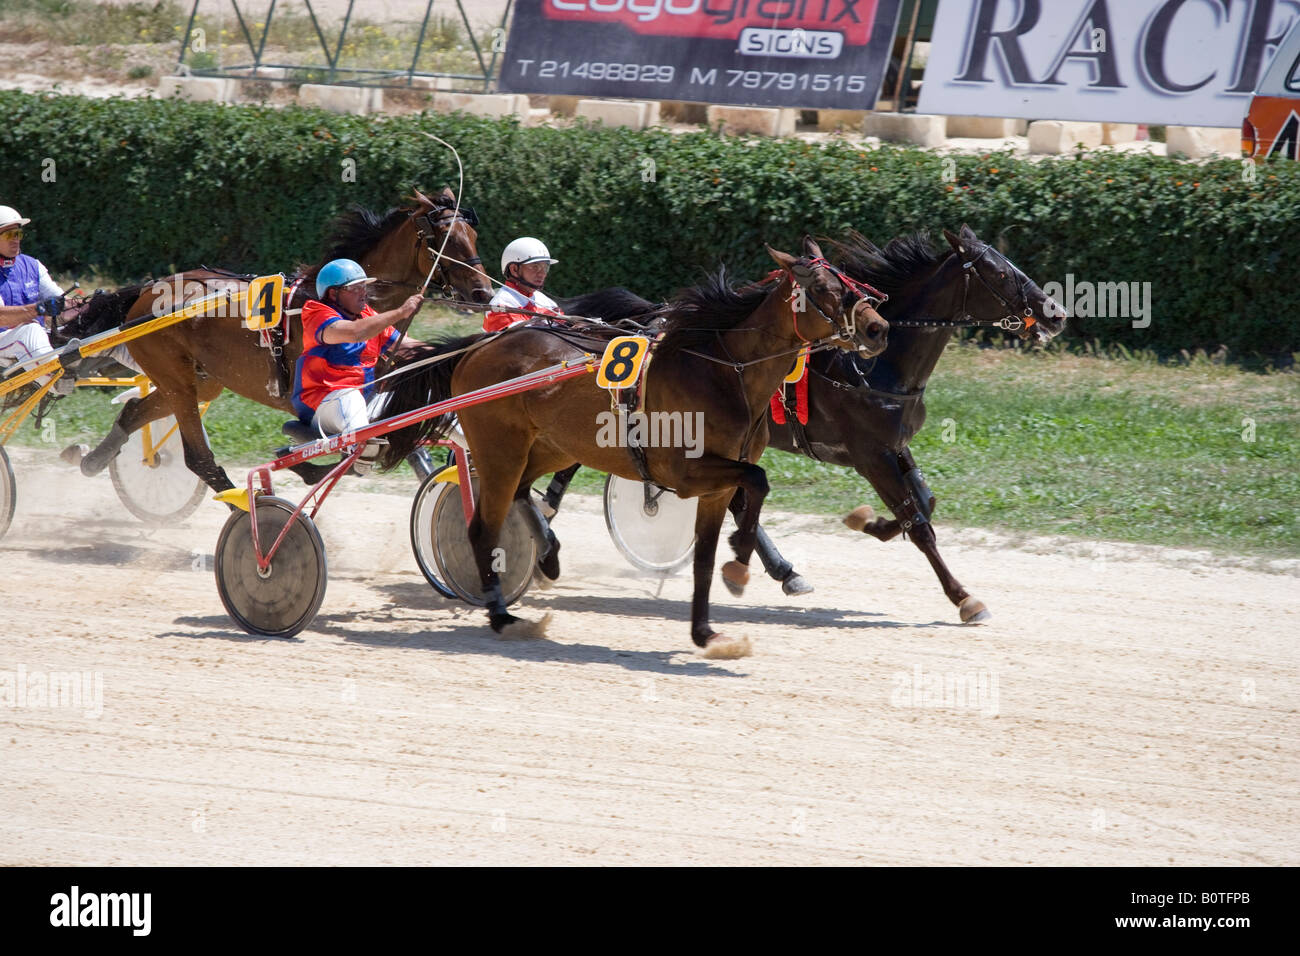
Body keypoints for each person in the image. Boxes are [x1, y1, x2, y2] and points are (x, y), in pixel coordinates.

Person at [292, 258, 422, 436]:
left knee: (425, 397)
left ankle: (469, 449)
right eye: (354, 288)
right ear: (332, 294)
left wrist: (459, 350)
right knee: (351, 397)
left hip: (364, 402)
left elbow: (406, 347)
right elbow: (355, 333)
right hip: (323, 403)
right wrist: (401, 312)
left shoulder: (367, 315)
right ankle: (361, 452)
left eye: (363, 286)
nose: (363, 293)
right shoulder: (317, 313)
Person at [0, 205, 66, 386]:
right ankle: (57, 380)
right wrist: (38, 309)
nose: (15, 240)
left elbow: (63, 303)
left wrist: (92, 305)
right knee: (31, 329)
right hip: (4, 340)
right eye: (8, 235)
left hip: (27, 341)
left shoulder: (33, 265)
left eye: (18, 234)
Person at [483, 237, 560, 332]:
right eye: (535, 266)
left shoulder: (548, 303)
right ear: (514, 269)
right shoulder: (500, 306)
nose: (542, 273)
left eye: (545, 267)